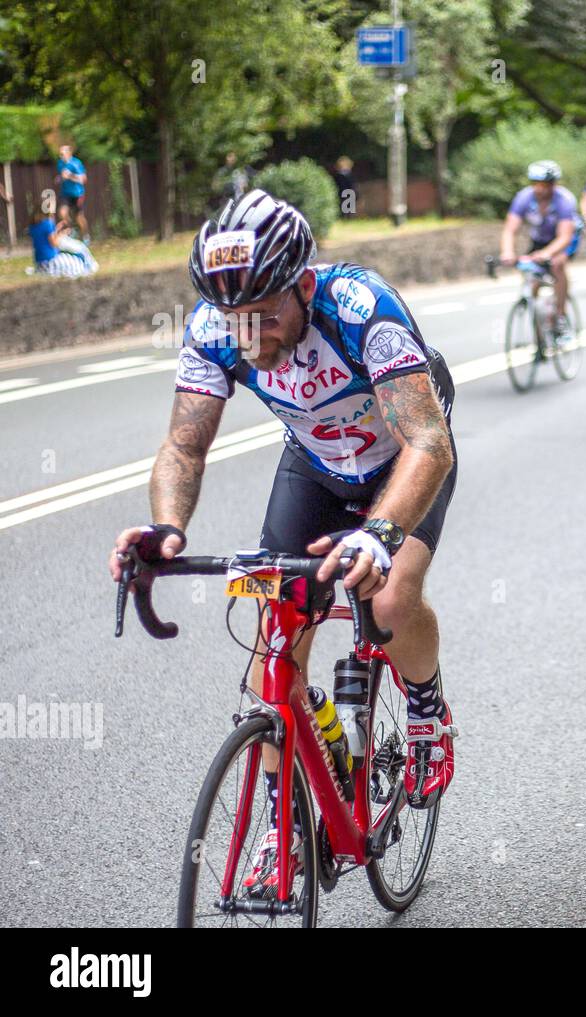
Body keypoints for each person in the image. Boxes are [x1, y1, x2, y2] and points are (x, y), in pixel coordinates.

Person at [107, 189, 459, 893]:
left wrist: (381, 534)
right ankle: (284, 821)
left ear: (303, 282)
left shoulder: (361, 309)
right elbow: (184, 444)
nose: (250, 337)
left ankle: (426, 713)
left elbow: (427, 440)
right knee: (278, 639)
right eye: (233, 319)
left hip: (405, 453)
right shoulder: (216, 327)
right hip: (318, 462)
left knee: (386, 599)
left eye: (265, 315)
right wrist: (166, 528)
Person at [500, 160, 581, 340]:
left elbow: (565, 237)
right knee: (531, 277)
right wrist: (507, 252)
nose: (539, 189)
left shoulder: (564, 200)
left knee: (557, 264)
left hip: (563, 239)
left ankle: (560, 315)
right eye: (535, 184)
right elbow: (510, 229)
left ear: (553, 185)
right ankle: (540, 333)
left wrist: (546, 254)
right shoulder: (524, 198)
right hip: (539, 239)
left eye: (544, 185)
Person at [27, 209, 97, 277]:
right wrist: (62, 233)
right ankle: (90, 266)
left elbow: (44, 239)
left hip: (39, 264)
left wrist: (57, 229)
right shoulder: (47, 224)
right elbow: (54, 243)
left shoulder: (33, 227)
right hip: (50, 262)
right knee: (78, 256)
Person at [55, 143, 90, 241]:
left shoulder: (76, 163)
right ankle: (72, 229)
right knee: (62, 213)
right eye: (60, 154)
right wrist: (59, 178)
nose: (61, 156)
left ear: (69, 153)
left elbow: (83, 180)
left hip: (77, 194)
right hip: (65, 193)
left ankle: (85, 236)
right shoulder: (60, 163)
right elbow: (61, 176)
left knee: (79, 217)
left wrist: (70, 176)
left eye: (62, 154)